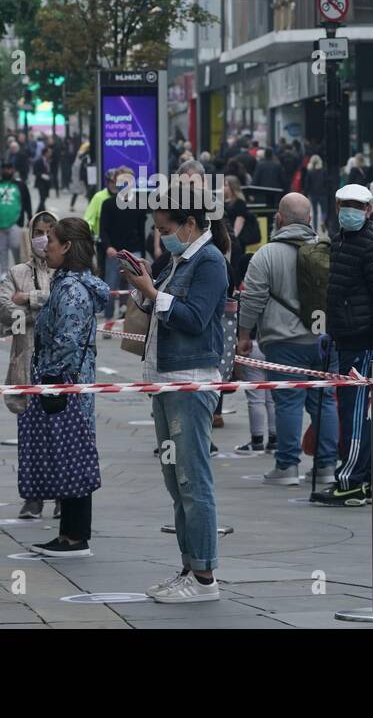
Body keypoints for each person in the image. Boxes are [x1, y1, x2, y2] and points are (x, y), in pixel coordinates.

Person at [124, 192, 230, 602]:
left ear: (189, 224)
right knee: (175, 480)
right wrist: (143, 288)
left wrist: (152, 292)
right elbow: (163, 307)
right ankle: (189, 566)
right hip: (166, 379)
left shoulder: (210, 261)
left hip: (190, 381)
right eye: (157, 229)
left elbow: (194, 319)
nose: (160, 236)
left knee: (193, 480)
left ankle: (204, 576)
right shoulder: (183, 259)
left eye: (165, 229)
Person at [17, 218, 108, 557]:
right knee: (68, 453)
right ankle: (69, 533)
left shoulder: (71, 289)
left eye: (52, 239)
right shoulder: (67, 283)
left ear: (68, 246)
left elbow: (66, 339)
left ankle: (75, 536)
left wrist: (50, 377)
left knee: (72, 454)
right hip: (71, 381)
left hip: (67, 384)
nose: (46, 245)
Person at [237, 193, 337, 485]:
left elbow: (252, 299)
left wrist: (245, 335)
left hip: (283, 342)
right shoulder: (326, 249)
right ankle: (326, 467)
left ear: (278, 219)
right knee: (324, 401)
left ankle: (287, 467)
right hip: (323, 339)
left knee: (288, 403)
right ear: (309, 220)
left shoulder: (266, 255)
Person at [315, 183, 373, 506]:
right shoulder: (341, 239)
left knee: (356, 414)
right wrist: (331, 332)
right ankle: (363, 477)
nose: (347, 211)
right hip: (347, 338)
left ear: (367, 209)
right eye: (343, 205)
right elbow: (338, 292)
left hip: (365, 342)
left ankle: (351, 480)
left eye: (355, 206)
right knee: (355, 411)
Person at [0, 211, 58, 519]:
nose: (43, 237)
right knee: (31, 433)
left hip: (61, 365)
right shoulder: (17, 271)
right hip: (27, 360)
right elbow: (5, 312)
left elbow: (62, 308)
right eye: (38, 231)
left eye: (50, 231)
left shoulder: (67, 271)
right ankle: (33, 497)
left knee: (61, 432)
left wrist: (30, 299)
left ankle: (65, 494)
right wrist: (39, 306)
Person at [97, 167, 146, 321]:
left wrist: (142, 256)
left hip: (134, 251)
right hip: (114, 251)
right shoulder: (108, 204)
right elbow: (103, 230)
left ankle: (132, 321)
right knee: (111, 287)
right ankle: (108, 320)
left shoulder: (139, 204)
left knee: (135, 289)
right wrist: (108, 247)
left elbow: (141, 231)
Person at [0, 162, 33, 281]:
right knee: (1, 249)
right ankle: (3, 273)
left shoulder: (20, 185)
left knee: (17, 247)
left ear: (13, 170)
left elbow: (27, 201)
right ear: (1, 170)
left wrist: (30, 216)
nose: (7, 171)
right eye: (5, 169)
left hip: (16, 222)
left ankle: (19, 271)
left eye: (9, 168)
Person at [303, 155, 327, 233]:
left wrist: (305, 194)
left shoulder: (310, 172)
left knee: (315, 213)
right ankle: (323, 221)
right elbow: (326, 182)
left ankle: (315, 230)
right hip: (323, 193)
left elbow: (307, 184)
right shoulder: (323, 171)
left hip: (313, 194)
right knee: (324, 211)